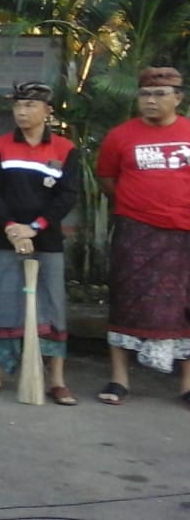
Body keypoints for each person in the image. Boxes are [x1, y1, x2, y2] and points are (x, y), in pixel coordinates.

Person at [0, 81, 80, 404]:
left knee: (52, 304)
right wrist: (12, 228)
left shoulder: (64, 149)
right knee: (3, 302)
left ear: (47, 110)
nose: (22, 112)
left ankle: (57, 379)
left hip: (46, 238)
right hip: (6, 236)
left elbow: (67, 196)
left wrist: (34, 227)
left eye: (30, 106)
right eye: (17, 106)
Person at [95, 66, 190, 406]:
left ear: (178, 98)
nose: (151, 100)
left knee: (185, 306)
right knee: (126, 299)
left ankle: (187, 384)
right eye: (145, 94)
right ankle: (118, 379)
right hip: (135, 231)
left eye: (160, 94)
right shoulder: (120, 136)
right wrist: (137, 204)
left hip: (184, 233)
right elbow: (107, 178)